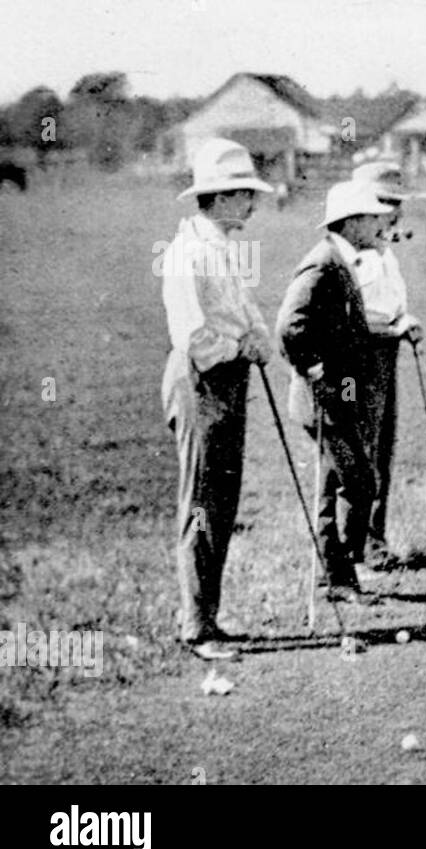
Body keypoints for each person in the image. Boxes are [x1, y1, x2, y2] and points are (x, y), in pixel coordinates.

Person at [160, 138, 274, 660]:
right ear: (222, 197)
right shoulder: (186, 254)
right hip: (200, 381)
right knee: (203, 503)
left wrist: (257, 337)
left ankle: (208, 615)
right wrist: (239, 346)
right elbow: (195, 338)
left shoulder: (222, 249)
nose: (252, 202)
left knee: (222, 501)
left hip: (230, 379)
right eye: (245, 193)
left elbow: (244, 311)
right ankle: (196, 626)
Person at [276, 181, 394, 603]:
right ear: (351, 222)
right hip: (322, 400)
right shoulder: (323, 265)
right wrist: (316, 371)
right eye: (371, 217)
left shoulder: (343, 260)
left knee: (341, 483)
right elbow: (290, 327)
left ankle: (338, 577)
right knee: (359, 482)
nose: (379, 223)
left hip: (339, 398)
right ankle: (338, 577)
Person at [350, 162, 423, 570]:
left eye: (397, 204)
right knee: (363, 451)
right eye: (385, 203)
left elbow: (390, 302)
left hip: (385, 354)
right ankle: (358, 548)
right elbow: (359, 312)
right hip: (362, 358)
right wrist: (394, 325)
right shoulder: (355, 254)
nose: (394, 213)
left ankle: (374, 540)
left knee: (382, 449)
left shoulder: (384, 249)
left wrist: (402, 323)